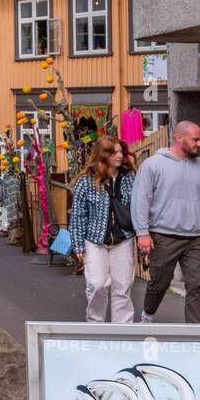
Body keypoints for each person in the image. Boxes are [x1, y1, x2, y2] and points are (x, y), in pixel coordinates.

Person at [132, 120, 200, 323]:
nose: (199, 144)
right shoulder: (153, 165)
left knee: (198, 284)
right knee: (160, 282)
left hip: (196, 237)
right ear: (179, 138)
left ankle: (195, 334)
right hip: (163, 235)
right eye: (196, 139)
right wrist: (142, 233)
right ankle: (148, 314)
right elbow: (140, 199)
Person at [69, 137, 137, 323]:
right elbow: (77, 215)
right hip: (95, 240)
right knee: (97, 285)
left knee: (122, 287)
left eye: (121, 152)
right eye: (114, 152)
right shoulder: (86, 181)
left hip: (123, 238)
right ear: (103, 154)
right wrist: (78, 246)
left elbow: (139, 208)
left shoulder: (129, 177)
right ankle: (95, 325)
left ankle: (123, 331)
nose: (119, 155)